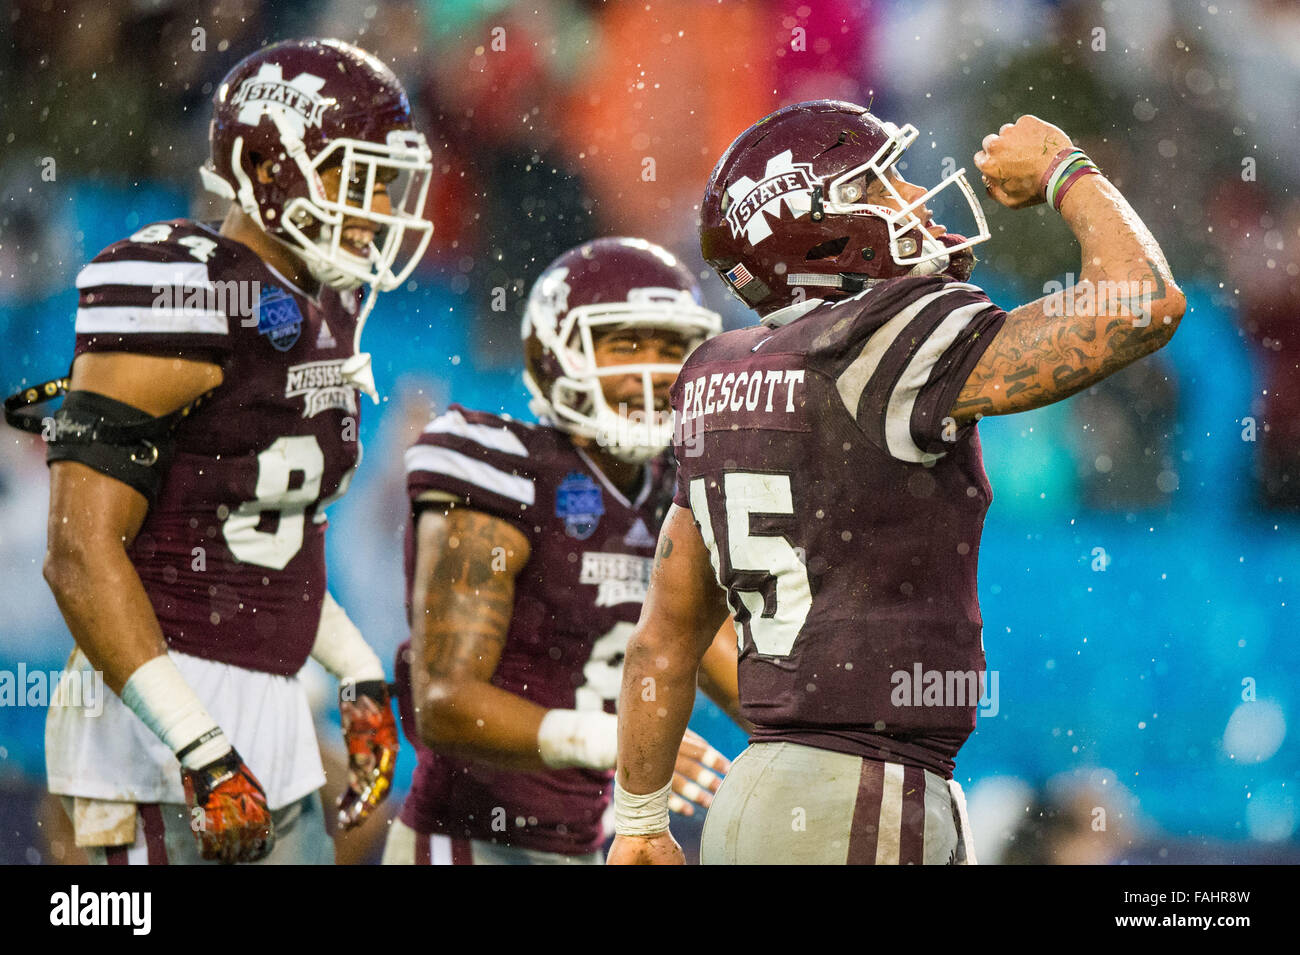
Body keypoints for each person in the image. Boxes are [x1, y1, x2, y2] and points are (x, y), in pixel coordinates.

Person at [607, 101, 1186, 865]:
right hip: (859, 796)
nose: (916, 198)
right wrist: (1064, 170)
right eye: (886, 185)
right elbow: (1142, 303)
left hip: (767, 791)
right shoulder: (881, 338)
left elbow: (663, 639)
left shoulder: (716, 375)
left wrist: (642, 818)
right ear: (819, 224)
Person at [36, 38, 434, 864]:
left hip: (271, 720)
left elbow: (261, 543)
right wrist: (198, 745)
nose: (373, 208)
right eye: (349, 177)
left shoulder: (321, 307)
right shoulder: (181, 289)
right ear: (264, 166)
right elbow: (78, 553)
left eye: (383, 181)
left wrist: (357, 671)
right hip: (152, 735)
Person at [382, 237, 740, 865]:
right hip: (467, 842)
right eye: (627, 344)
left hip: (583, 843)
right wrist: (616, 739)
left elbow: (728, 667)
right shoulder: (502, 467)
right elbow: (443, 702)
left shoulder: (672, 494)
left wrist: (856, 751)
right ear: (558, 353)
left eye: (672, 349)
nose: (653, 371)